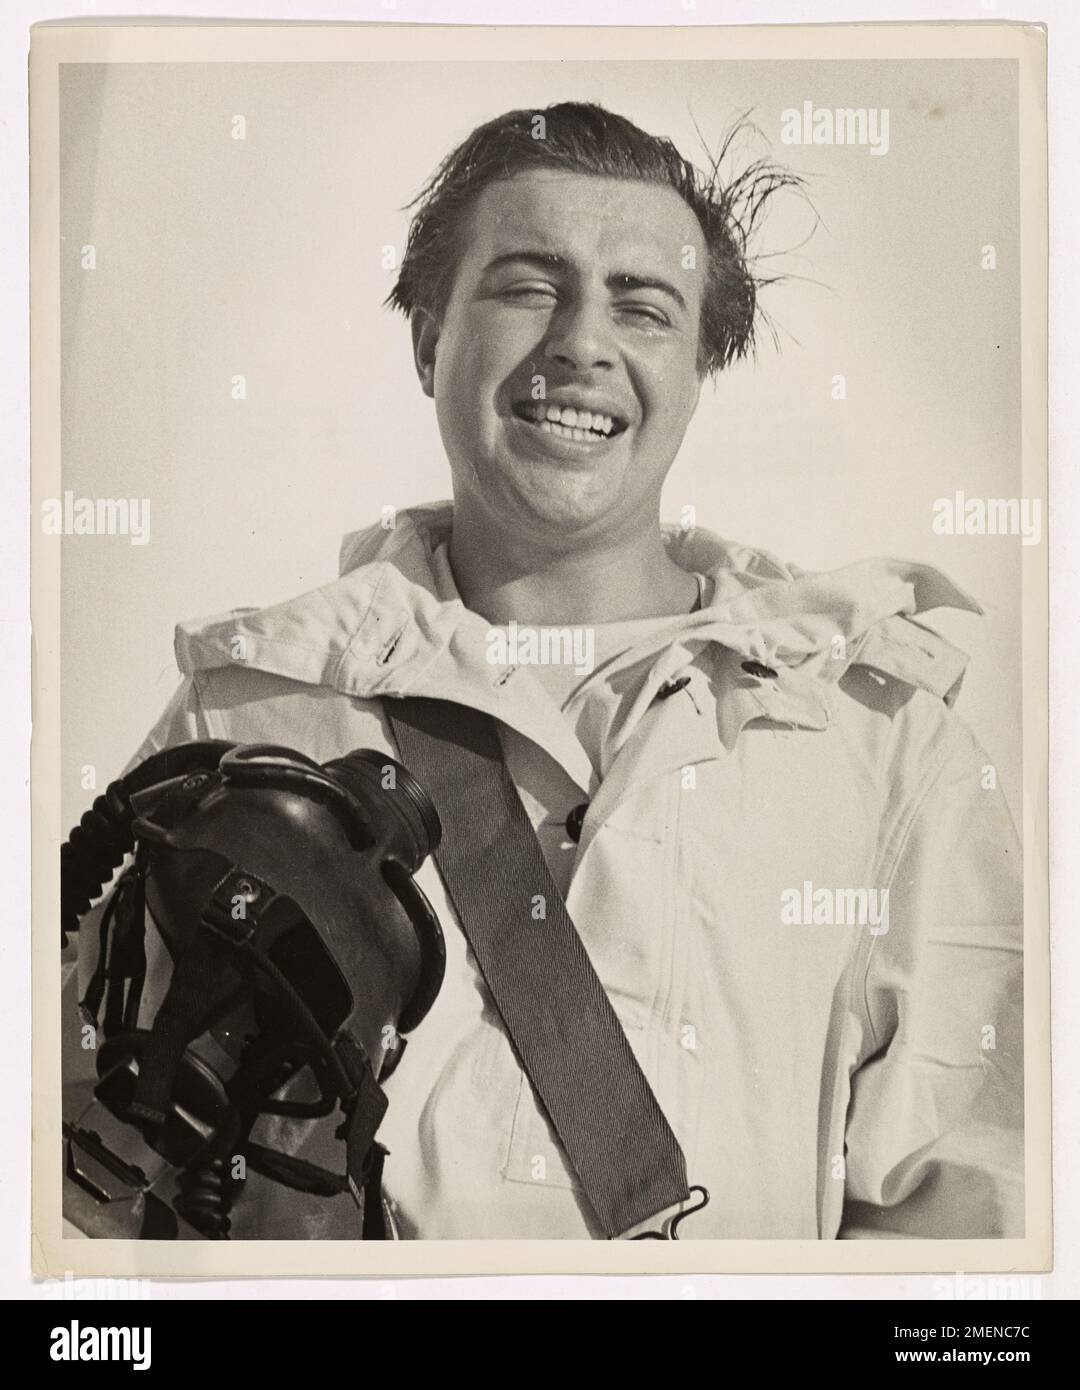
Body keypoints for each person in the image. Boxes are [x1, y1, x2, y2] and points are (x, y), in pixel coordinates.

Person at [68, 102, 1023, 1240]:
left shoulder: (881, 741)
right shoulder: (254, 708)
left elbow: (970, 1222)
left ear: (696, 368)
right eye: (528, 286)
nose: (583, 340)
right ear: (429, 340)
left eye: (644, 304)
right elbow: (80, 1175)